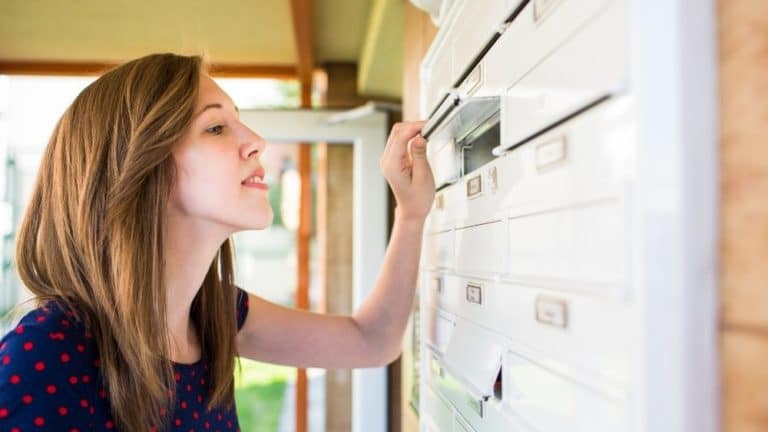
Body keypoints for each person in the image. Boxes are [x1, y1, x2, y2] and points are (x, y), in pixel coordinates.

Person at [0, 53, 435, 431]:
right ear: (138, 166)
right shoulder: (46, 353)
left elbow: (372, 342)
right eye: (215, 128)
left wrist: (412, 214)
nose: (256, 142)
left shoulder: (215, 314)